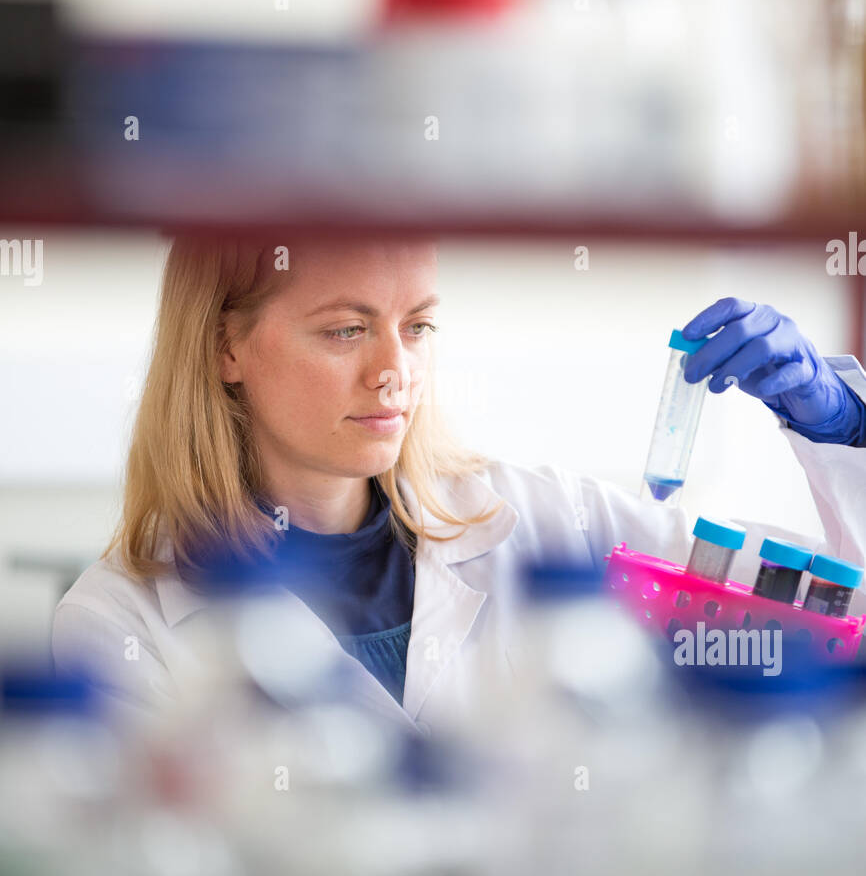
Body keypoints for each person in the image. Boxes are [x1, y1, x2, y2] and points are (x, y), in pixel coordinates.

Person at [51, 236, 866, 737]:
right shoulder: (121, 621)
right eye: (346, 330)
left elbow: (840, 622)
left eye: (417, 327)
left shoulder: (548, 522)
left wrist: (843, 431)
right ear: (224, 347)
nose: (394, 372)